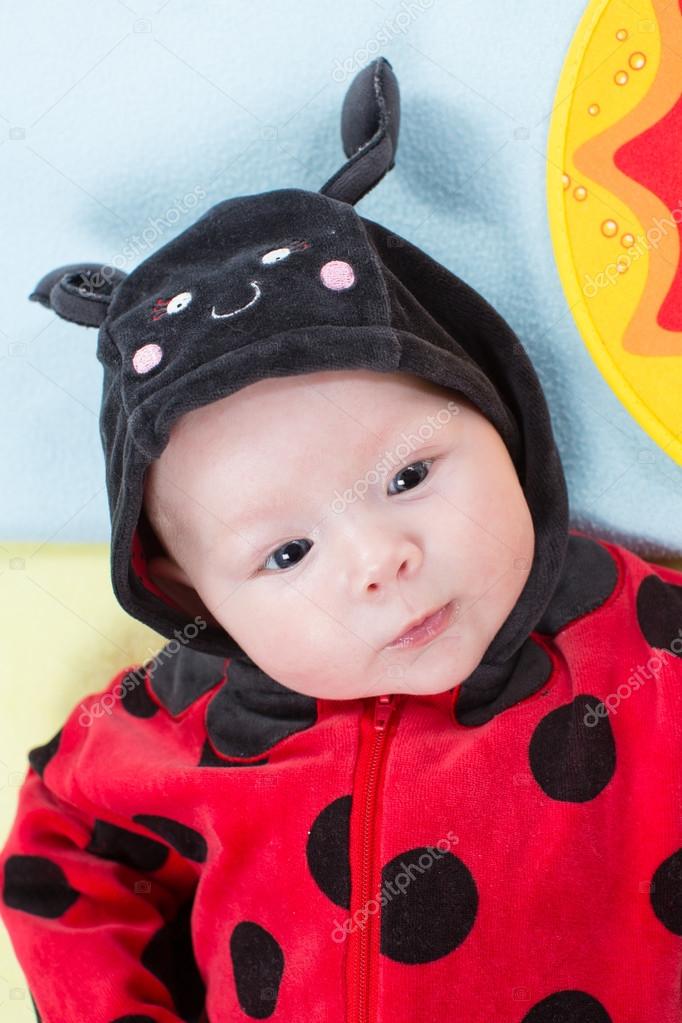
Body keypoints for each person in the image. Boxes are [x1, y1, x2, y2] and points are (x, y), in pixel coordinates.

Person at [2, 56, 682, 1023]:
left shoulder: (648, 656)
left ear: (506, 420)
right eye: (286, 554)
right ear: (195, 599)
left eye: (409, 476)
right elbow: (58, 854)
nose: (378, 562)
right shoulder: (189, 720)